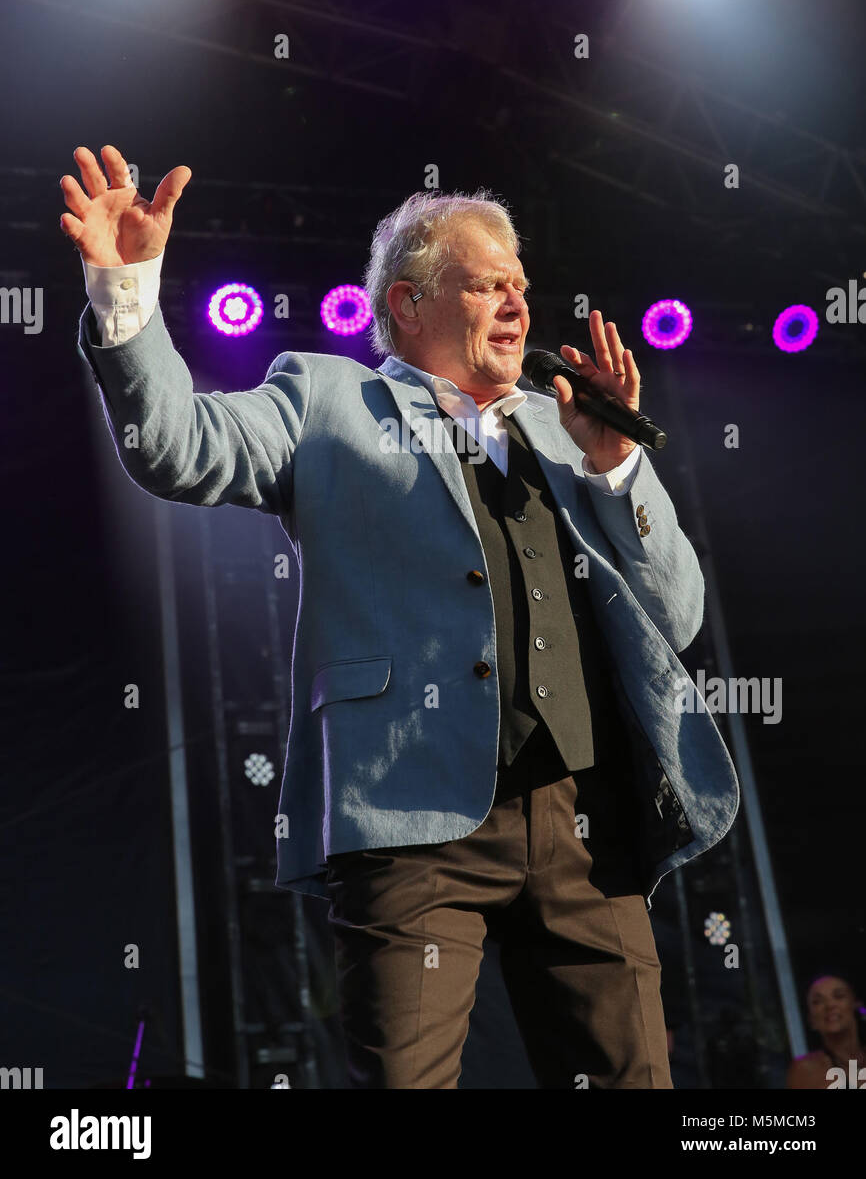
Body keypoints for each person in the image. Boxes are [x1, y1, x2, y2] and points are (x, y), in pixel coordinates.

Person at [62, 144, 740, 1089]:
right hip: (409, 811)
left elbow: (678, 612)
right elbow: (176, 447)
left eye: (521, 284)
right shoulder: (327, 397)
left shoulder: (567, 425)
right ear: (407, 304)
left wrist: (615, 465)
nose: (518, 303)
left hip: (587, 820)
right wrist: (124, 288)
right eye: (487, 284)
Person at [786, 975, 866, 1089]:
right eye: (817, 1002)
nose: (830, 1005)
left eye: (839, 996)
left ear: (856, 1005)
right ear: (811, 1020)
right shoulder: (807, 1070)